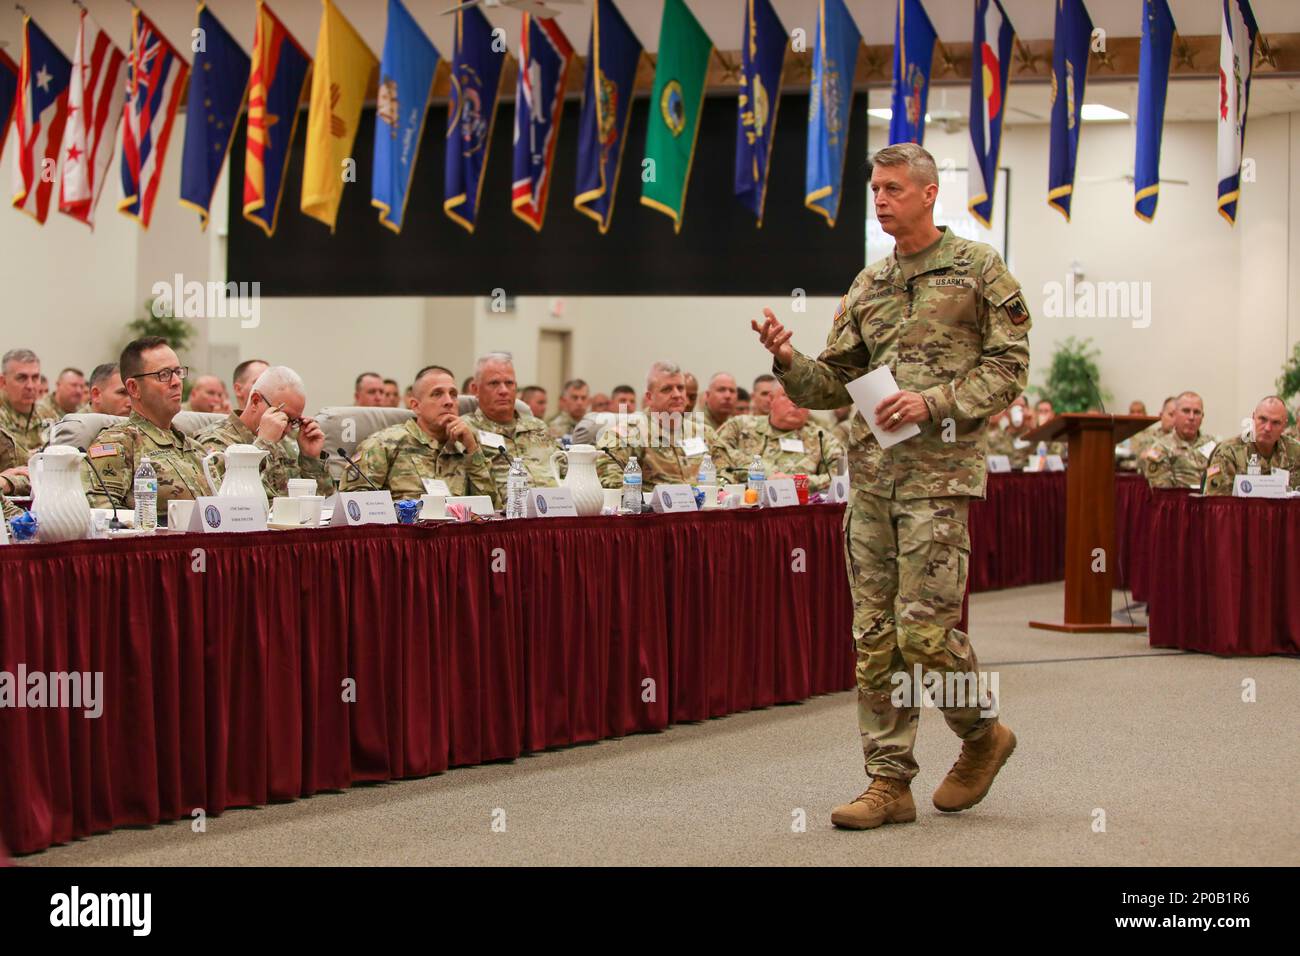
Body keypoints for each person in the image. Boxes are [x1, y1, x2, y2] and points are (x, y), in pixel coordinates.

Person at [752, 142, 1026, 831]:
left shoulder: (977, 270)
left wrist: (933, 402)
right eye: (875, 188)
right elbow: (830, 382)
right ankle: (887, 780)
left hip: (938, 478)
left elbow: (1010, 367)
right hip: (872, 478)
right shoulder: (869, 284)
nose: (879, 199)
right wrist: (787, 358)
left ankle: (980, 734)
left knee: (925, 632)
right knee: (875, 634)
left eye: (893, 188)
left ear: (929, 194)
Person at [80, 337, 208, 509]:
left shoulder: (195, 448)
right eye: (164, 375)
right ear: (133, 388)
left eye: (178, 372)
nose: (177, 382)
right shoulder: (119, 444)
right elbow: (102, 512)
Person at [344, 365, 498, 506]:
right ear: (415, 406)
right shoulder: (383, 444)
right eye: (437, 394)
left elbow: (493, 510)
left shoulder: (467, 447)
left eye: (453, 394)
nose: (449, 401)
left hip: (456, 534)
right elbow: (353, 507)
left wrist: (472, 449)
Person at [194, 366, 331, 499]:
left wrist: (310, 459)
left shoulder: (283, 445)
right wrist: (262, 445)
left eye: (294, 421)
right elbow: (221, 501)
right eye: (284, 417)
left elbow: (322, 505)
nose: (288, 429)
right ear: (255, 401)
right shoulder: (214, 440)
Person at [596, 360, 717, 492]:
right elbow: (606, 467)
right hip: (655, 508)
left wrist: (719, 492)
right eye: (667, 389)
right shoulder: (630, 431)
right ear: (649, 397)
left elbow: (727, 469)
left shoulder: (703, 431)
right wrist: (635, 500)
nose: (677, 395)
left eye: (680, 388)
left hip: (704, 508)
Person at [713, 384, 844, 491]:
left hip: (797, 514)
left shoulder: (822, 438)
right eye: (788, 396)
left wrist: (794, 482)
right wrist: (762, 475)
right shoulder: (739, 427)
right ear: (771, 399)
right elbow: (715, 463)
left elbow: (840, 478)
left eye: (804, 399)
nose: (796, 404)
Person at [462, 352, 558, 500]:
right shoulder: (466, 430)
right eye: (494, 383)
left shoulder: (538, 426)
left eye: (509, 383)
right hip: (506, 516)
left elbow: (565, 468)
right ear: (475, 389)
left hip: (559, 511)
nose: (503, 391)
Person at [1204, 396, 1300, 495]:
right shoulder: (1228, 452)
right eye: (1262, 419)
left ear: (1284, 426)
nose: (1267, 428)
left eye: (1276, 422)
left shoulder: (1296, 452)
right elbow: (1217, 503)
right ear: (1253, 418)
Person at [1142, 391, 1217, 489]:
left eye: (1197, 412)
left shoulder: (1212, 445)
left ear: (1202, 416)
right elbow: (1164, 495)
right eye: (1186, 411)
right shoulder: (1160, 449)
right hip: (1179, 502)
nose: (1191, 417)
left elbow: (1220, 483)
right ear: (1175, 415)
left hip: (1210, 502)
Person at [0, 349, 45, 458]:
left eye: (35, 378)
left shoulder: (48, 415)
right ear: (3, 382)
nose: (30, 386)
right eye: (21, 378)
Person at [985, 395, 1034, 469]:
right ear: (1006, 412)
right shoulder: (994, 438)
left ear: (1027, 410)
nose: (1017, 411)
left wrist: (1032, 425)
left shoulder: (1034, 437)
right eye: (1013, 407)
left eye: (1021, 407)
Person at [1129, 395, 1174, 460]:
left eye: (1139, 412)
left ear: (1145, 413)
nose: (1136, 415)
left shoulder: (1152, 433)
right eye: (1132, 412)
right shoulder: (1124, 435)